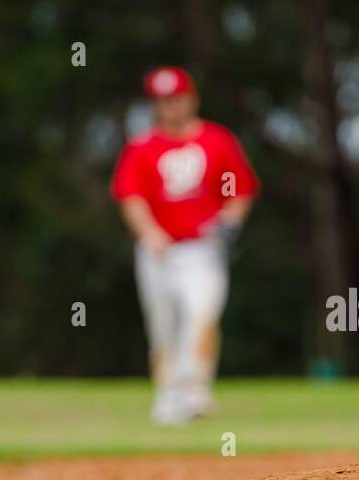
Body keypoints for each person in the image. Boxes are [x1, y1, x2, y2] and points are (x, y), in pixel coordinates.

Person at [110, 66, 260, 424]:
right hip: (158, 252)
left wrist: (228, 222)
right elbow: (130, 196)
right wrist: (149, 232)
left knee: (200, 316)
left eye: (175, 100)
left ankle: (194, 393)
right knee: (163, 327)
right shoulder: (141, 147)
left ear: (191, 99)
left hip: (202, 251)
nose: (169, 108)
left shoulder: (217, 140)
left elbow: (239, 189)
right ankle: (167, 397)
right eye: (161, 102)